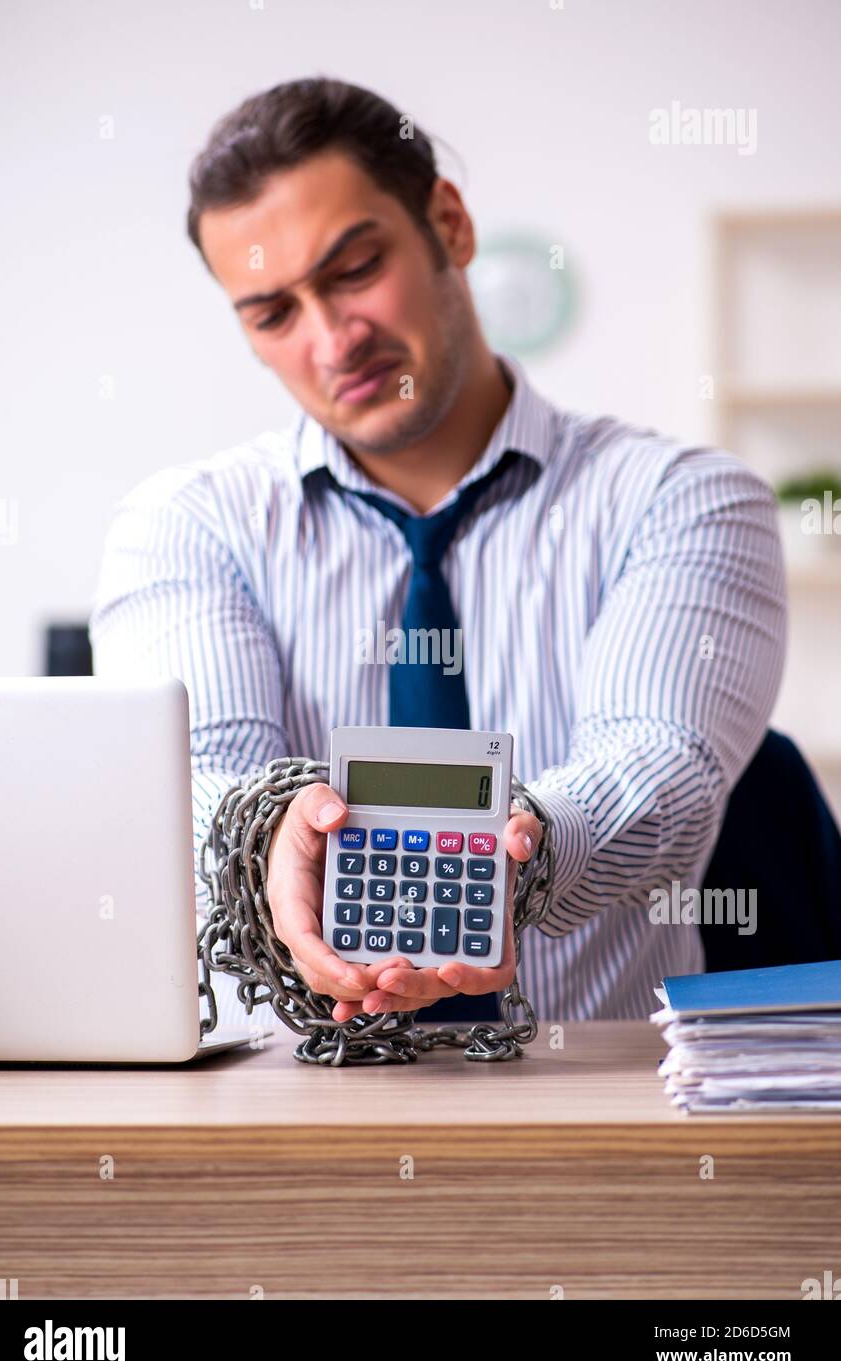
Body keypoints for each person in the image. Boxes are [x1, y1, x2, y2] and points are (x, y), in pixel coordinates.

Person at [89, 76, 787, 1030]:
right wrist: (265, 840)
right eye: (273, 313)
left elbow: (657, 763)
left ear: (448, 225)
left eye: (354, 268)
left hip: (591, 1107)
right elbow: (195, 779)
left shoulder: (679, 499)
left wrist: (512, 854)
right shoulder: (183, 525)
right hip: (287, 1106)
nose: (334, 339)